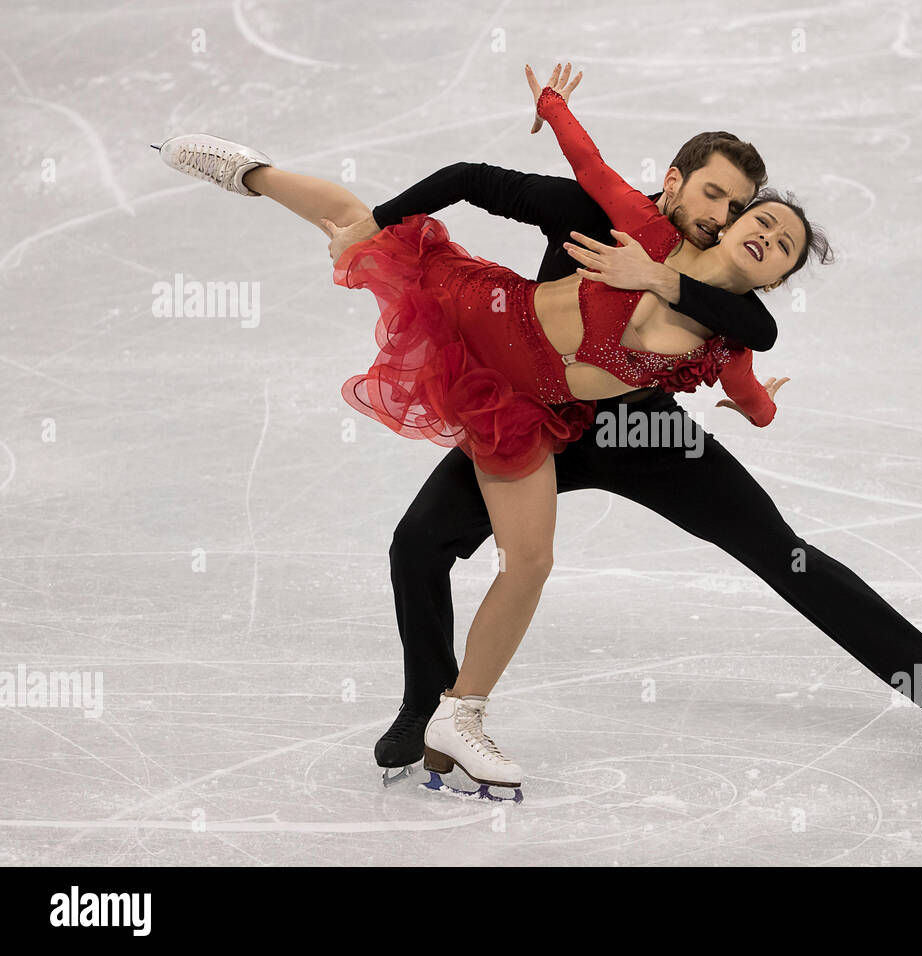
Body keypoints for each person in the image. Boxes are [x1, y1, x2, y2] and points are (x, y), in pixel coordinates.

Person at [155, 64, 830, 799]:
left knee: (531, 560)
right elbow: (586, 166)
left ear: (778, 274)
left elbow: (754, 371)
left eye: (777, 238)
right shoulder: (643, 231)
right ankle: (248, 172)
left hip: (520, 407)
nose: (753, 225)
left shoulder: (729, 339)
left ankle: (459, 715)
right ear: (714, 212)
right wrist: (552, 106)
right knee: (354, 226)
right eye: (750, 214)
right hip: (481, 315)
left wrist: (758, 402)